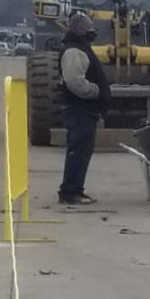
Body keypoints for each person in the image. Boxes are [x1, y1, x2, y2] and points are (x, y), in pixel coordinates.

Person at [56, 13, 109, 205]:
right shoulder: (74, 51)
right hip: (79, 109)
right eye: (90, 27)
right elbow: (75, 81)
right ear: (79, 29)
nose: (93, 31)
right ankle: (69, 192)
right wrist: (96, 91)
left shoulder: (81, 48)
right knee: (78, 151)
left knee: (82, 151)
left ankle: (76, 189)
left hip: (84, 109)